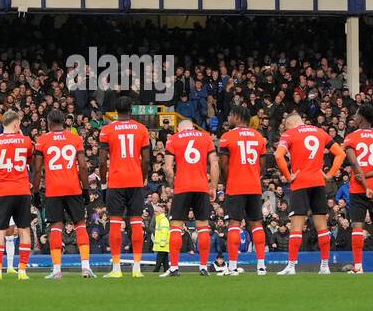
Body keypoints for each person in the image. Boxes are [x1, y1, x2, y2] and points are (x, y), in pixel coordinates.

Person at [273, 111, 340, 275]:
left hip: (300, 183)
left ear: (289, 124)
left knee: (296, 227)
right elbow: (340, 153)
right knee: (322, 227)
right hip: (318, 182)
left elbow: (277, 155)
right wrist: (330, 174)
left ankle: (291, 266)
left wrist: (288, 176)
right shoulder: (319, 131)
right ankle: (325, 266)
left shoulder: (289, 134)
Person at [33, 108, 92, 280]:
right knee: (80, 225)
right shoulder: (75, 138)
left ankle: (57, 270)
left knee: (56, 227)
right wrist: (86, 188)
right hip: (73, 187)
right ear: (65, 121)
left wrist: (36, 192)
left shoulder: (42, 140)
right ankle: (86, 268)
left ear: (49, 122)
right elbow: (82, 166)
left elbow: (37, 170)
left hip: (53, 189)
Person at [97, 95, 152, 278]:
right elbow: (146, 159)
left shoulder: (107, 130)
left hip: (116, 181)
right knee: (136, 222)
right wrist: (143, 177)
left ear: (115, 110)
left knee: (115, 222)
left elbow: (102, 161)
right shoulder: (141, 129)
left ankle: (117, 268)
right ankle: (136, 268)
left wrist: (104, 183)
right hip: (135, 180)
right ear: (131, 110)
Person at [335, 104, 373, 274]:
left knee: (357, 226)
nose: (354, 118)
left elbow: (354, 163)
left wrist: (364, 181)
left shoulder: (351, 138)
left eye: (356, 115)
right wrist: (370, 178)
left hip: (359, 188)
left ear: (361, 118)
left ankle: (358, 267)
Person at [160, 118, 218, 278]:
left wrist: (172, 184)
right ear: (193, 127)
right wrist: (213, 186)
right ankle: (203, 267)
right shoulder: (206, 137)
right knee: (203, 227)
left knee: (176, 227)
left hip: (183, 187)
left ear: (179, 129)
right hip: (201, 187)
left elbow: (168, 168)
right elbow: (214, 164)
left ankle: (174, 267)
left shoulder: (174, 139)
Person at [217, 104, 270, 276]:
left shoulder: (227, 137)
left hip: (236, 185)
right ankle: (261, 266)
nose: (229, 118)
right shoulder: (259, 137)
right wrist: (254, 176)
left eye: (231, 115)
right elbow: (262, 166)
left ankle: (232, 267)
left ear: (238, 117)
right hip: (254, 186)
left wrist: (226, 182)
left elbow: (223, 165)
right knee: (256, 224)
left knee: (234, 224)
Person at [0, 109, 35, 281]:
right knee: (24, 229)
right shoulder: (26, 141)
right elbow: (29, 160)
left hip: (3, 191)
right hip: (22, 190)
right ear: (16, 124)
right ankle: (22, 271)